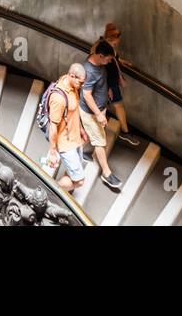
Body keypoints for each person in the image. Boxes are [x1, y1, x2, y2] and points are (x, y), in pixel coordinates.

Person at [79, 40, 122, 192]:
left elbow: (100, 78)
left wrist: (108, 88)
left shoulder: (97, 62)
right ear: (100, 56)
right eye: (109, 59)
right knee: (100, 141)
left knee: (95, 136)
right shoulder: (89, 71)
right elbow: (86, 95)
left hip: (100, 107)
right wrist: (98, 114)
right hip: (91, 113)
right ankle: (106, 173)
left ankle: (84, 152)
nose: (110, 61)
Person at [45, 63, 89, 193]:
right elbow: (53, 127)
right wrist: (52, 153)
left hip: (74, 138)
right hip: (65, 143)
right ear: (72, 76)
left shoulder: (71, 85)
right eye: (80, 82)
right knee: (79, 181)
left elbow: (73, 111)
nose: (82, 86)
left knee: (73, 171)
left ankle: (65, 187)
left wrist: (80, 129)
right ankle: (50, 190)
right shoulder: (59, 98)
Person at [101, 23, 139, 147]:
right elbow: (101, 69)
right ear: (111, 39)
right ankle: (124, 132)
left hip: (111, 83)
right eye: (117, 39)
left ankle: (125, 131)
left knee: (118, 106)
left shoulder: (109, 47)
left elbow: (114, 58)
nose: (119, 41)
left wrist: (122, 62)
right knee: (105, 108)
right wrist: (107, 88)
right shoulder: (103, 50)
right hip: (107, 84)